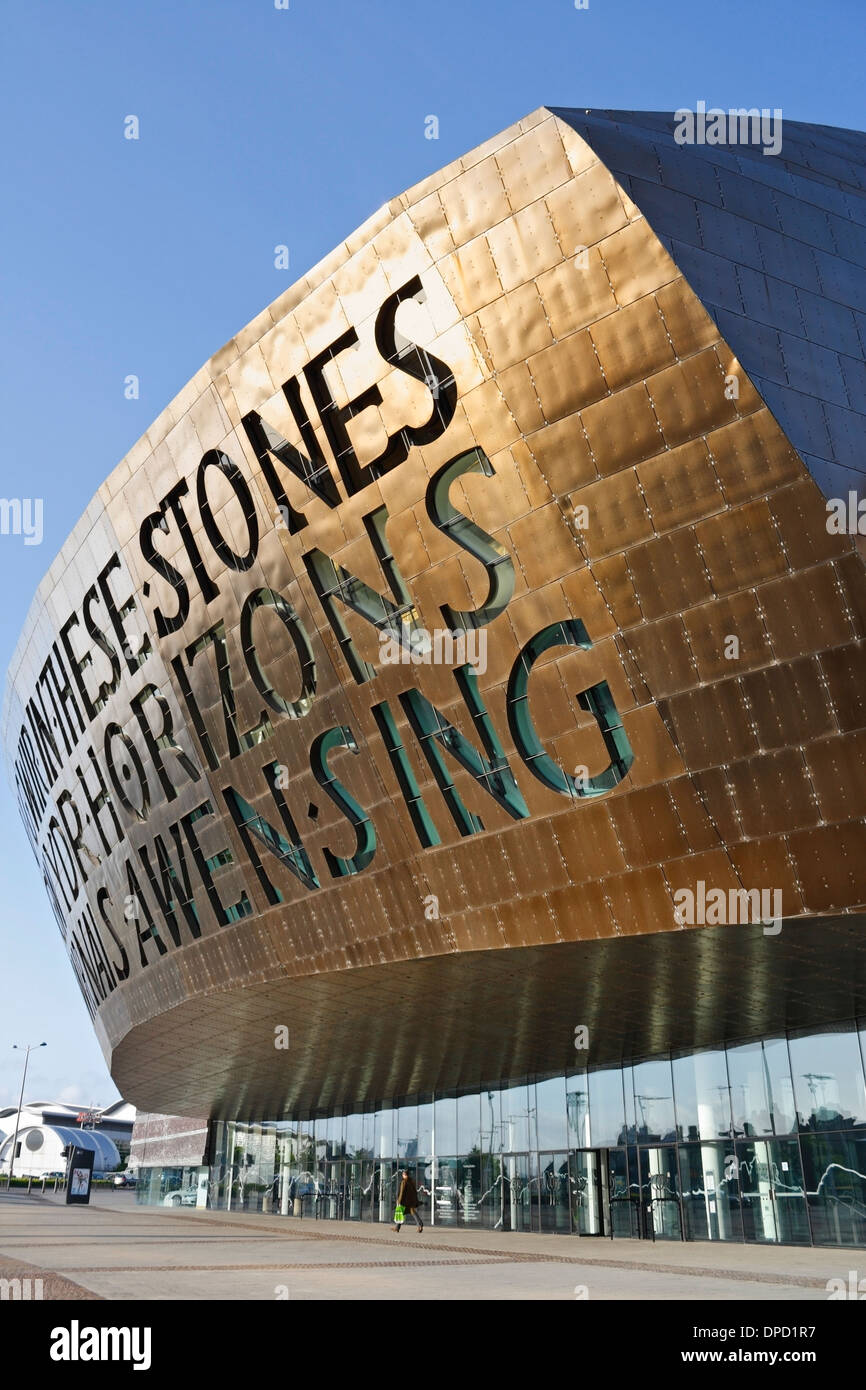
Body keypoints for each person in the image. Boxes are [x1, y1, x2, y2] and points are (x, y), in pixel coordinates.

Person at [393, 1168, 423, 1232]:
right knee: (412, 1213)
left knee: (400, 1213)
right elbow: (415, 1191)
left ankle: (397, 1228)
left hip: (405, 1202)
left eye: (403, 1174)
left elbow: (401, 1192)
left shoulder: (404, 1182)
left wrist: (399, 1201)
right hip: (411, 1201)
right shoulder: (412, 1181)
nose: (402, 1175)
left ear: (405, 1175)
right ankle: (420, 1225)